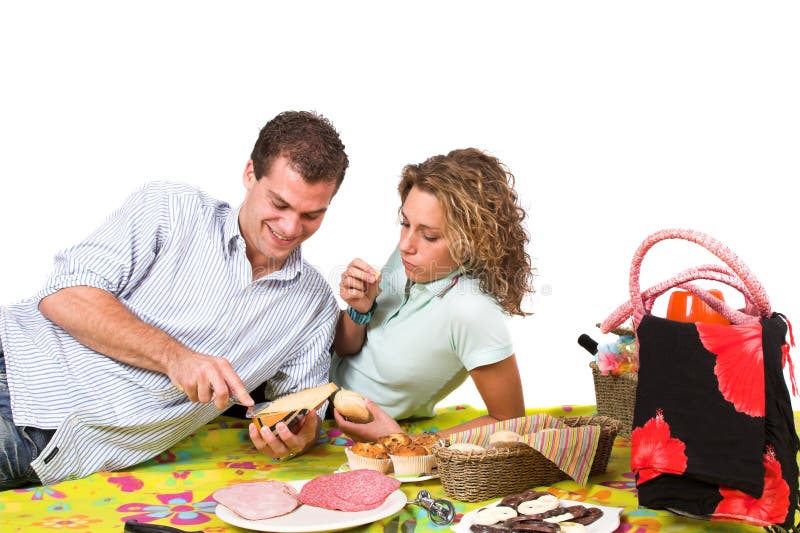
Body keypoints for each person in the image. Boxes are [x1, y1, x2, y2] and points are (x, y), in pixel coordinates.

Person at [0, 110, 348, 490]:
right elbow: (63, 298)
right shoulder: (169, 208)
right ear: (250, 174)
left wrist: (299, 435)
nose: (290, 228)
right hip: (14, 357)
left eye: (311, 215)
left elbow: (301, 407)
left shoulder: (314, 305)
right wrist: (175, 358)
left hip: (49, 439)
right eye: (279, 205)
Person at [330, 148, 533, 441]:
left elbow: (510, 420)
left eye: (430, 236)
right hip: (313, 381)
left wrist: (405, 442)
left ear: (472, 240)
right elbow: (346, 349)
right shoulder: (409, 261)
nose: (405, 245)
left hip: (339, 421)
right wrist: (359, 310)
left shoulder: (471, 310)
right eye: (405, 223)